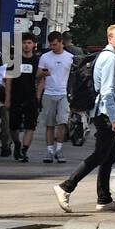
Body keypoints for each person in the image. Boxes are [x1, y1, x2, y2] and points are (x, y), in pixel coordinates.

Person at [53, 24, 115, 213]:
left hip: (100, 112)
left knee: (109, 157)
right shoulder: (110, 58)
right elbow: (108, 91)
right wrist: (114, 118)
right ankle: (66, 187)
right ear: (109, 38)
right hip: (105, 114)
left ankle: (104, 199)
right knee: (99, 156)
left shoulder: (105, 55)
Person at [37, 32, 74, 165]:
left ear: (61, 42)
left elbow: (74, 75)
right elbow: (38, 75)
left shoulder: (70, 57)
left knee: (63, 122)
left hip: (63, 93)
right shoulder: (45, 57)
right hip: (48, 93)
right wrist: (42, 74)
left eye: (55, 44)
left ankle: (59, 149)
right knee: (49, 123)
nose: (52, 47)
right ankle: (50, 151)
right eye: (51, 45)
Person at [4, 34, 41, 162]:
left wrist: (38, 96)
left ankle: (24, 150)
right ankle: (17, 143)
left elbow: (42, 78)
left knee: (30, 126)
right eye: (24, 42)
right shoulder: (14, 60)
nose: (26, 45)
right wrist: (7, 98)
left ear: (34, 45)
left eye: (29, 42)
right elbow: (8, 79)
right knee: (13, 125)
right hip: (16, 97)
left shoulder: (38, 61)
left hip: (30, 97)